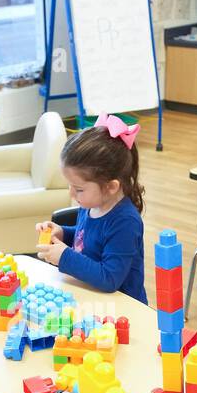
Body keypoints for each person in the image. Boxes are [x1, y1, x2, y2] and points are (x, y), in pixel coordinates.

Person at [34, 114, 147, 304]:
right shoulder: (91, 203)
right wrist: (63, 233)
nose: (71, 193)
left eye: (78, 189)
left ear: (111, 187)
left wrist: (65, 257)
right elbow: (87, 237)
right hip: (91, 296)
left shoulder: (125, 222)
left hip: (123, 308)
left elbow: (110, 278)